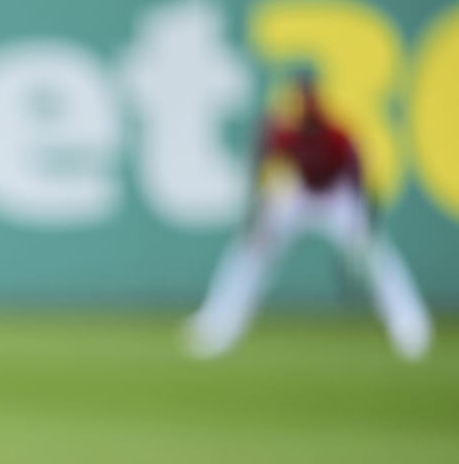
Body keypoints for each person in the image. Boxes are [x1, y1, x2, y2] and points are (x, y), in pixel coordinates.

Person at [184, 70, 432, 360]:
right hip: (298, 195)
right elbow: (261, 163)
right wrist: (259, 210)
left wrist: (366, 219)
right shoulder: (282, 128)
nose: (303, 101)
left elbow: (357, 175)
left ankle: (410, 325)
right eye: (299, 94)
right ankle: (218, 324)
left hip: (337, 196)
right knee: (250, 250)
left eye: (307, 94)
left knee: (374, 253)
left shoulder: (336, 131)